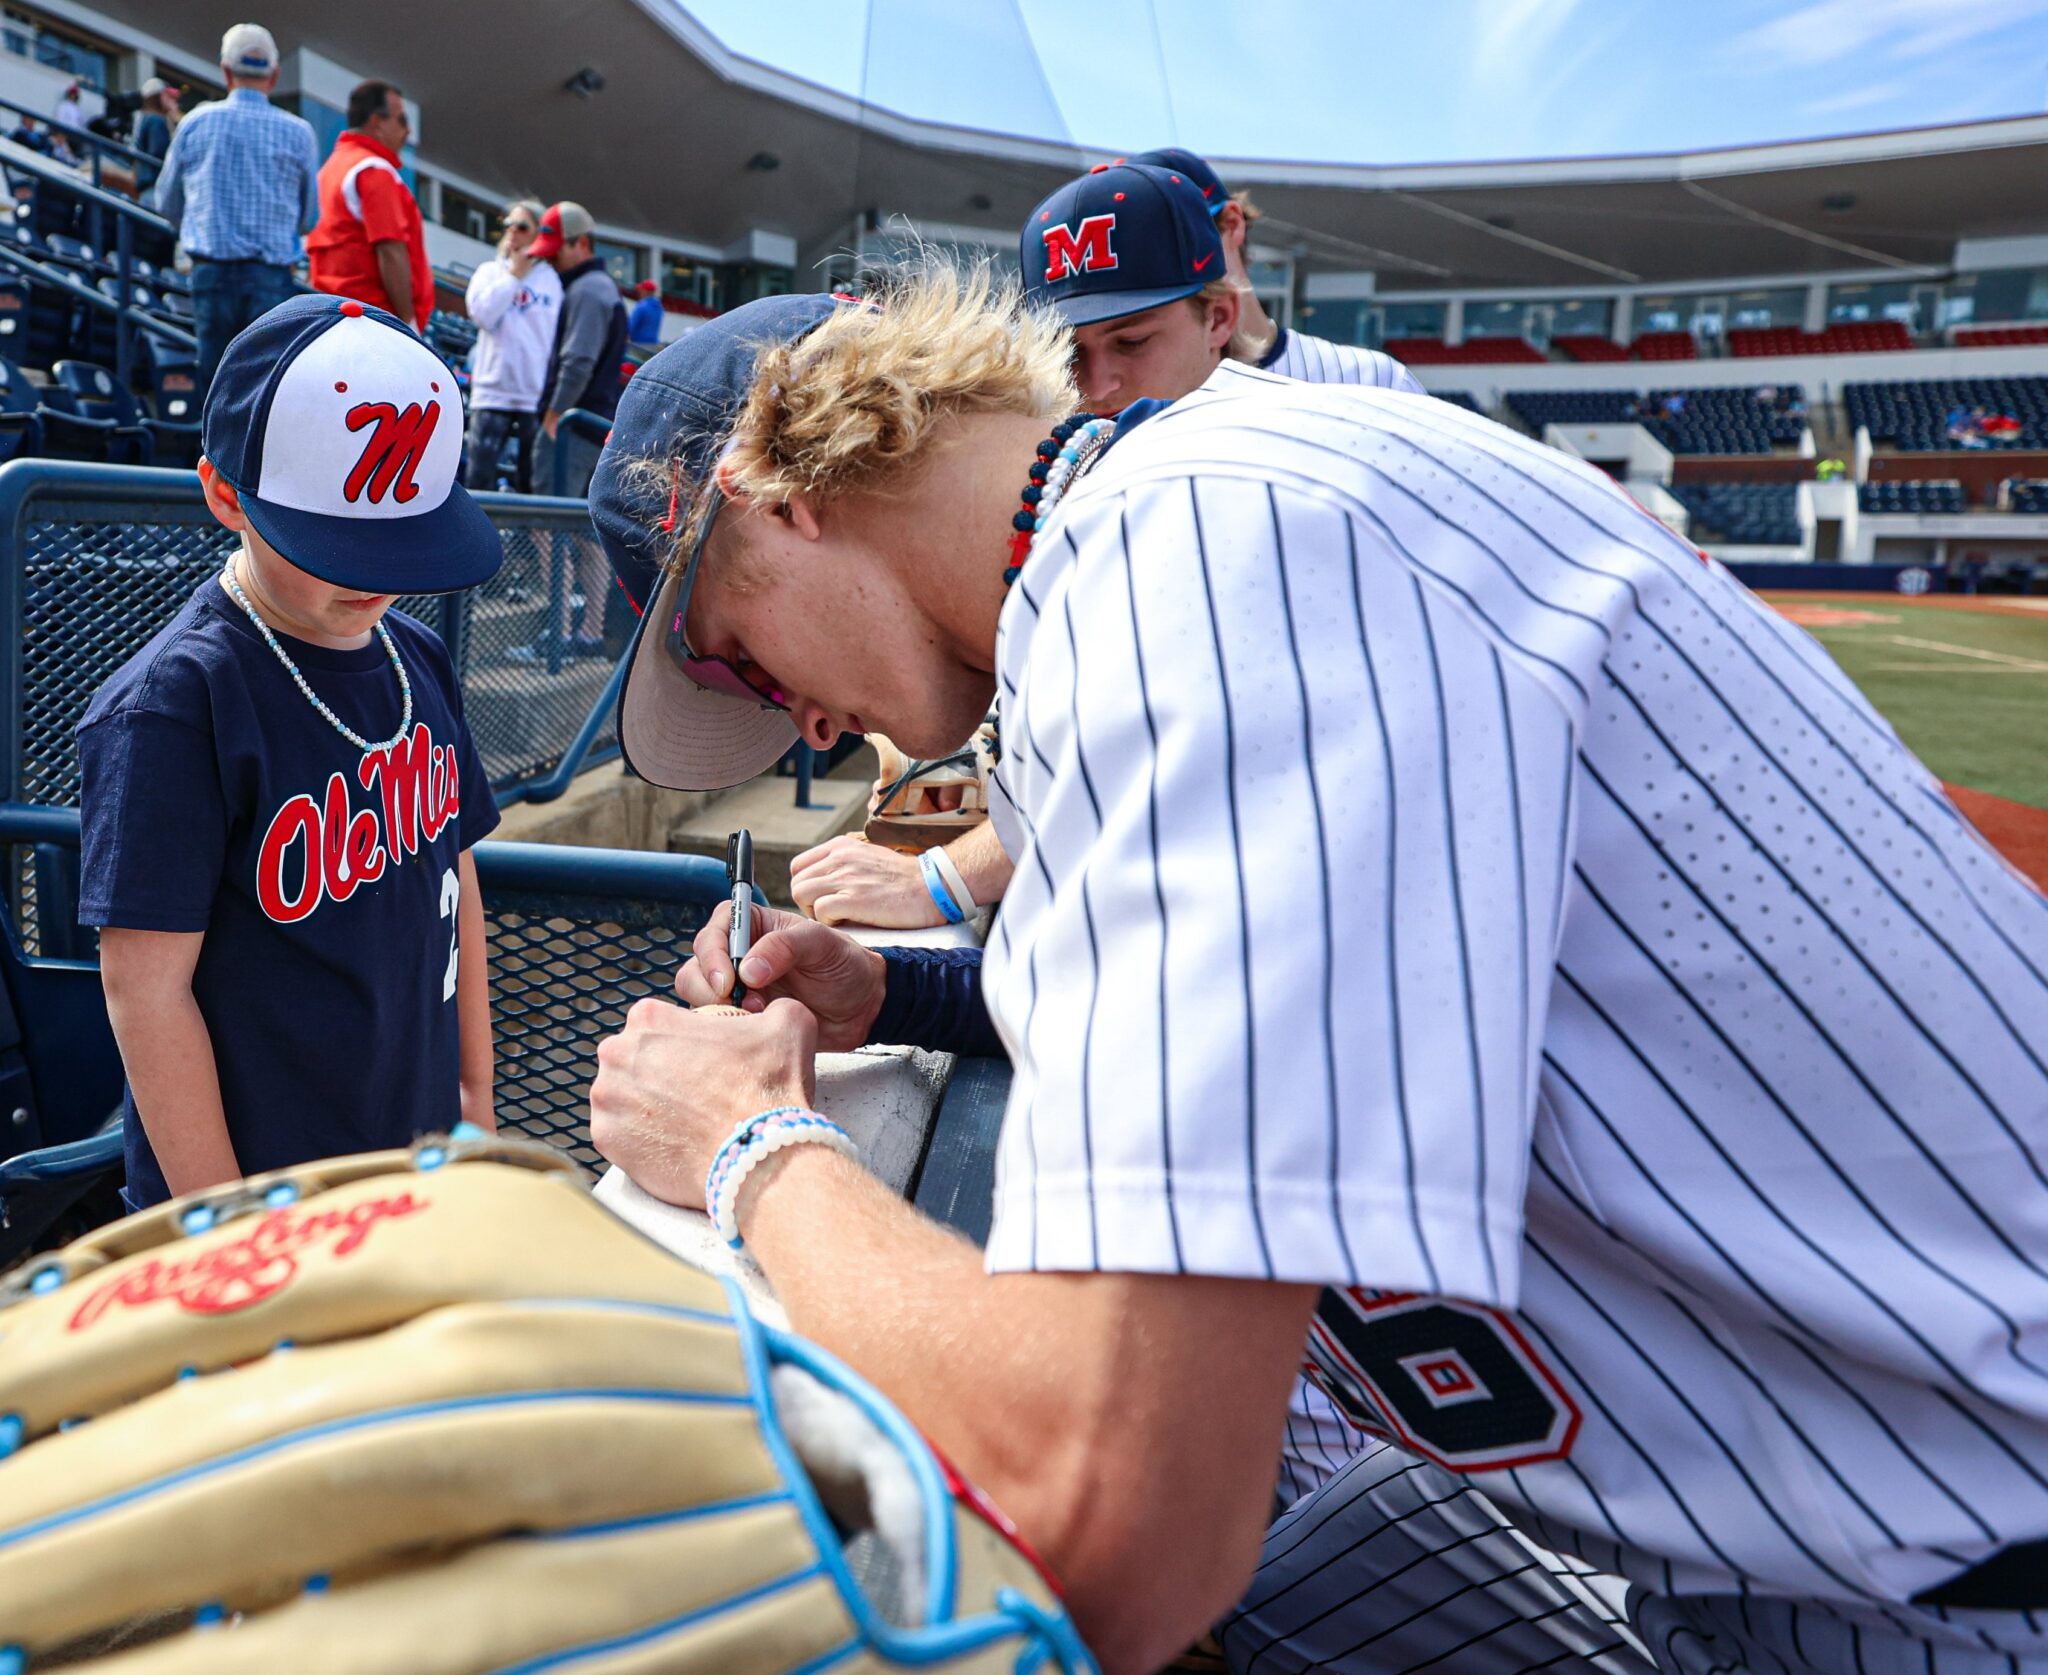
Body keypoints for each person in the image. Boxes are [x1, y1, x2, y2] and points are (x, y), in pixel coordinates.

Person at [583, 270, 2048, 1674]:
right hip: (1802, 1539)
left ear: (775, 488)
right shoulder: (1142, 553)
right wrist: (886, 991)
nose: (805, 735)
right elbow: (1232, 1032)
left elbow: (1115, 1516)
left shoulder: (1202, 549)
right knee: (1334, 1565)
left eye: (742, 658)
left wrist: (752, 1149)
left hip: (1960, 1588)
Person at [789, 161, 1423, 931]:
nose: (1099, 380)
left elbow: (1173, 763)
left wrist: (945, 878)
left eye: (1131, 338)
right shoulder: (1083, 460)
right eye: (1069, 350)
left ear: (1218, 318)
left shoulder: (1352, 396)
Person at [77, 293, 505, 1211]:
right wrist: (230, 1230)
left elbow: (455, 878)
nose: (372, 577)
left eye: (399, 544)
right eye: (338, 542)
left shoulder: (415, 652)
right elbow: (145, 994)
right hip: (263, 1202)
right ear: (226, 494)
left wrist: (476, 1100)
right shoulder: (177, 703)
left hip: (415, 1161)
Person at [150, 24, 321, 396]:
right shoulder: (299, 132)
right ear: (274, 76)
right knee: (264, 389)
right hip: (271, 277)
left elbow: (165, 203)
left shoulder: (196, 122)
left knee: (217, 386)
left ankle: (214, 455)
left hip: (211, 273)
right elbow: (310, 218)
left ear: (226, 72)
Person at [511, 199, 625, 662]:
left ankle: (561, 634)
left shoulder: (590, 289)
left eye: (558, 250)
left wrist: (554, 415)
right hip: (588, 426)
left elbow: (578, 361)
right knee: (581, 531)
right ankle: (586, 634)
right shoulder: (594, 286)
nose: (551, 259)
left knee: (549, 526)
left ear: (582, 243)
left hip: (573, 428)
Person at [308, 79, 432, 336]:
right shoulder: (373, 170)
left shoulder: (331, 169)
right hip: (373, 322)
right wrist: (407, 324)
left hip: (333, 316)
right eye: (402, 120)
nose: (407, 131)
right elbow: (390, 250)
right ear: (377, 122)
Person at [462, 197, 559, 493]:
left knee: (532, 482)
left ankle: (525, 541)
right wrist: (514, 275)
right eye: (508, 225)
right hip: (492, 393)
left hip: (533, 396)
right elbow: (482, 315)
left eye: (522, 226)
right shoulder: (489, 272)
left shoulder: (550, 279)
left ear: (537, 233)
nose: (513, 232)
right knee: (480, 478)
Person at [131, 77, 180, 194]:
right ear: (158, 97)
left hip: (146, 186)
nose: (172, 101)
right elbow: (160, 152)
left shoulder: (143, 117)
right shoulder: (156, 120)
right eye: (167, 95)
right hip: (154, 186)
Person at [627, 276, 663, 359]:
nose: (639, 292)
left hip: (638, 346)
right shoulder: (659, 307)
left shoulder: (642, 306)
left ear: (645, 291)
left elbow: (630, 327)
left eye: (641, 290)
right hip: (653, 346)